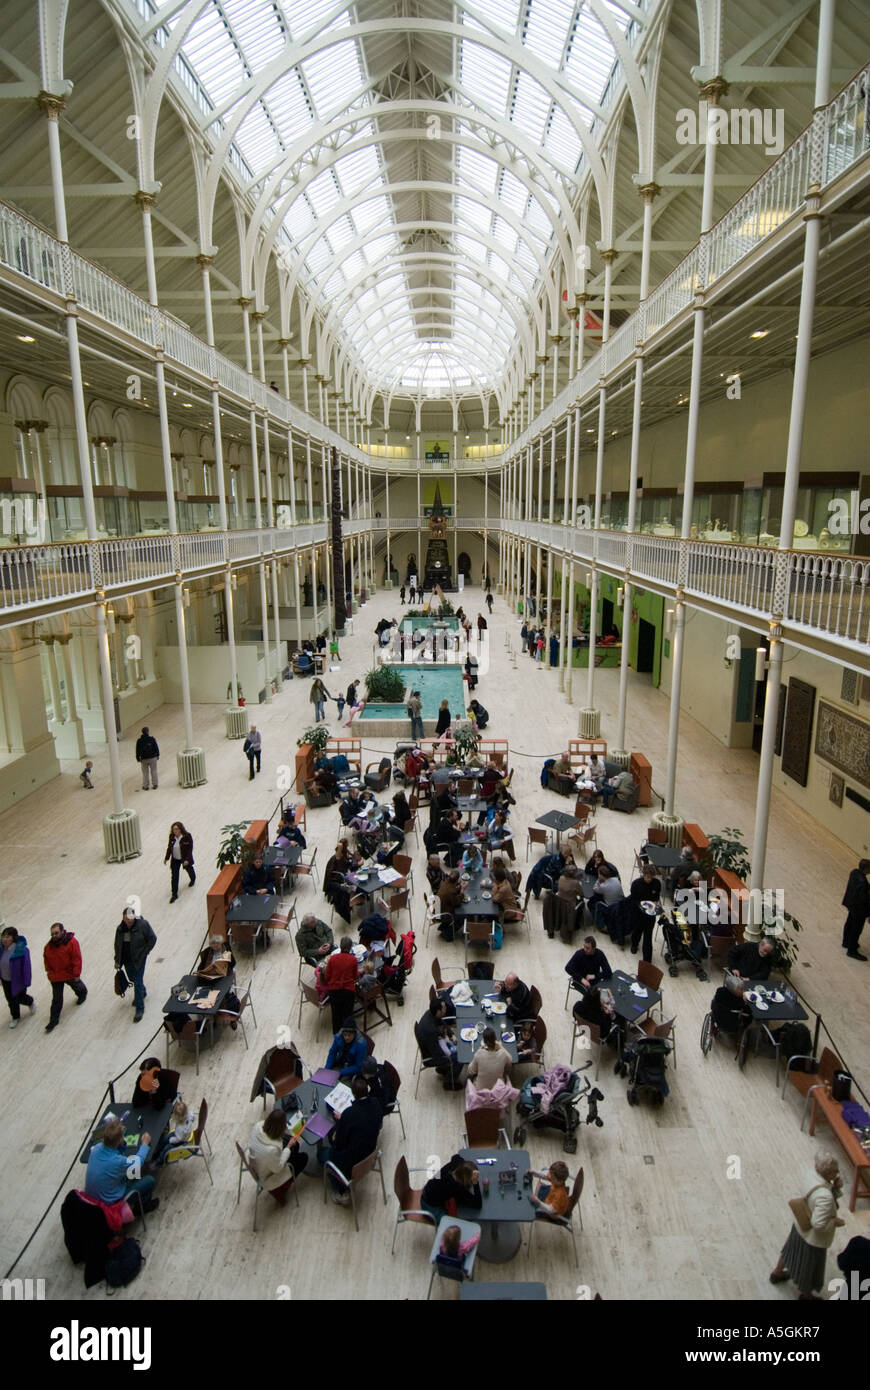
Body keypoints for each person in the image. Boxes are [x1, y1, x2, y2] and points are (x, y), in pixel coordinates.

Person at [769, 1152, 845, 1299]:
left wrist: (834, 1187)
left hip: (800, 1223)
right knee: (808, 1267)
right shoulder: (825, 1196)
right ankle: (806, 1295)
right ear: (828, 1172)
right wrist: (834, 1222)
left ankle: (777, 1273)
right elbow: (818, 1224)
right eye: (835, 1171)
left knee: (790, 1249)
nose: (837, 1173)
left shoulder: (811, 1175)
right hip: (811, 1238)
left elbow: (817, 1195)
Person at [321, 1074, 384, 1202]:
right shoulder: (376, 1103)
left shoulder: (349, 1114)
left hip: (352, 1161)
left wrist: (342, 1120)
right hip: (370, 1151)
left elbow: (338, 1143)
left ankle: (341, 1190)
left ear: (353, 1094)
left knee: (321, 1154)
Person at [85, 1118, 157, 1213]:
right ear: (119, 1140)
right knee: (149, 1180)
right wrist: (145, 1144)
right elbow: (137, 1162)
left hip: (93, 1198)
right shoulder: (118, 1161)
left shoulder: (96, 1149)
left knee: (133, 1173)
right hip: (109, 1204)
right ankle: (141, 1207)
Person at [248, 1107, 309, 1207]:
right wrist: (288, 1147)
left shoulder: (258, 1125)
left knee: (295, 1146)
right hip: (270, 1175)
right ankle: (282, 1188)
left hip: (260, 1161)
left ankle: (292, 1153)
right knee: (303, 1158)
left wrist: (288, 1147)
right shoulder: (271, 1150)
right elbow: (278, 1168)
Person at [113, 906, 156, 1023]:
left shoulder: (143, 925)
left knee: (137, 982)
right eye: (126, 919)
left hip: (139, 958)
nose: (128, 922)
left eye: (130, 919)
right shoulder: (120, 929)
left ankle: (139, 1009)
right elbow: (117, 945)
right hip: (127, 960)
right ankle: (142, 992)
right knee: (132, 978)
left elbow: (152, 938)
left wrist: (146, 951)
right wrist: (117, 960)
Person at [43, 922, 87, 1032]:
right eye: (52, 934)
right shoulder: (48, 947)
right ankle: (53, 1020)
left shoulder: (72, 942)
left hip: (69, 973)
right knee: (56, 999)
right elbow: (46, 959)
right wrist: (49, 971)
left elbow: (77, 958)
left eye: (56, 933)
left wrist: (76, 973)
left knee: (77, 986)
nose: (54, 936)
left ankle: (82, 993)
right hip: (56, 976)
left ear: (62, 932)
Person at [416, 997, 462, 1089]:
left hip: (433, 1045)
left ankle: (444, 1069)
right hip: (431, 1056)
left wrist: (451, 1034)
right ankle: (449, 1083)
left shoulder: (430, 1013)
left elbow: (442, 1023)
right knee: (460, 1057)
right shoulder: (430, 1031)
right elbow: (437, 1054)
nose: (446, 1010)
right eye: (444, 1009)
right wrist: (451, 1053)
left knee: (457, 1049)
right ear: (438, 1011)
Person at [421, 1155, 482, 1222]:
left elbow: (456, 1156)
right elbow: (477, 1204)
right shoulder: (456, 1188)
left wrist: (466, 1168)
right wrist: (475, 1183)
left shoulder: (456, 1163)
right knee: (449, 1224)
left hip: (427, 1190)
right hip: (429, 1206)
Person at [0, 927, 35, 1030]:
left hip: (18, 981)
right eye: (3, 936)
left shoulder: (21, 950)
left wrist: (27, 981)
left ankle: (30, 1001)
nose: (4, 939)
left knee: (20, 997)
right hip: (5, 980)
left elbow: (26, 967)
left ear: (13, 938)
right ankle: (15, 1017)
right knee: (10, 1000)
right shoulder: (1, 949)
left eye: (8, 937)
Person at [323, 936, 359, 1032]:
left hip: (334, 991)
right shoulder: (353, 960)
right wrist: (362, 971)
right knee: (348, 1015)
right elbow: (355, 977)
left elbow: (327, 977)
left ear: (340, 947)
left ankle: (337, 1035)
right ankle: (348, 1034)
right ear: (351, 947)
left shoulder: (333, 959)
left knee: (335, 1015)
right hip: (348, 992)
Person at [629, 865, 662, 961]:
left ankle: (647, 960)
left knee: (648, 937)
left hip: (650, 914)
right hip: (638, 913)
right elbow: (633, 899)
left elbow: (656, 898)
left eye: (652, 877)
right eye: (648, 877)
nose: (649, 879)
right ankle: (634, 944)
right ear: (644, 875)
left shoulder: (657, 883)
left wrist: (654, 907)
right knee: (637, 930)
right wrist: (640, 906)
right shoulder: (636, 884)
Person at [841, 859, 870, 960]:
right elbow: (864, 899)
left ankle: (846, 941)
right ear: (866, 869)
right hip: (859, 910)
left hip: (851, 904)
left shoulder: (854, 873)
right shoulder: (863, 883)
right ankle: (852, 950)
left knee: (849, 923)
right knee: (856, 929)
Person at [164, 821, 195, 903]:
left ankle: (193, 878)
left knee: (189, 869)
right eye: (174, 829)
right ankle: (174, 894)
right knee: (174, 877)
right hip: (175, 859)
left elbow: (190, 849)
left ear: (181, 829)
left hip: (184, 858)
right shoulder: (171, 837)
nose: (175, 831)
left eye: (177, 829)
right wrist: (166, 858)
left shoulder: (187, 836)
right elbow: (169, 848)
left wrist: (187, 860)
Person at [437, 869, 465, 941]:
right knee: (462, 917)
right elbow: (457, 903)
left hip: (437, 908)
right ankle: (447, 934)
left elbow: (453, 889)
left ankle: (444, 926)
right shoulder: (451, 891)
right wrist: (462, 890)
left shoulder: (444, 882)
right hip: (443, 914)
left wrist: (458, 886)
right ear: (457, 880)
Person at [135, 725, 159, 790]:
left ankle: (145, 786)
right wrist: (157, 755)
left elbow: (137, 750)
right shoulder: (152, 739)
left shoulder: (139, 741)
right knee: (154, 771)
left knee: (145, 773)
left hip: (144, 759)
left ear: (142, 732)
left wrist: (137, 758)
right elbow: (156, 747)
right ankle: (155, 784)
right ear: (148, 732)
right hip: (152, 758)